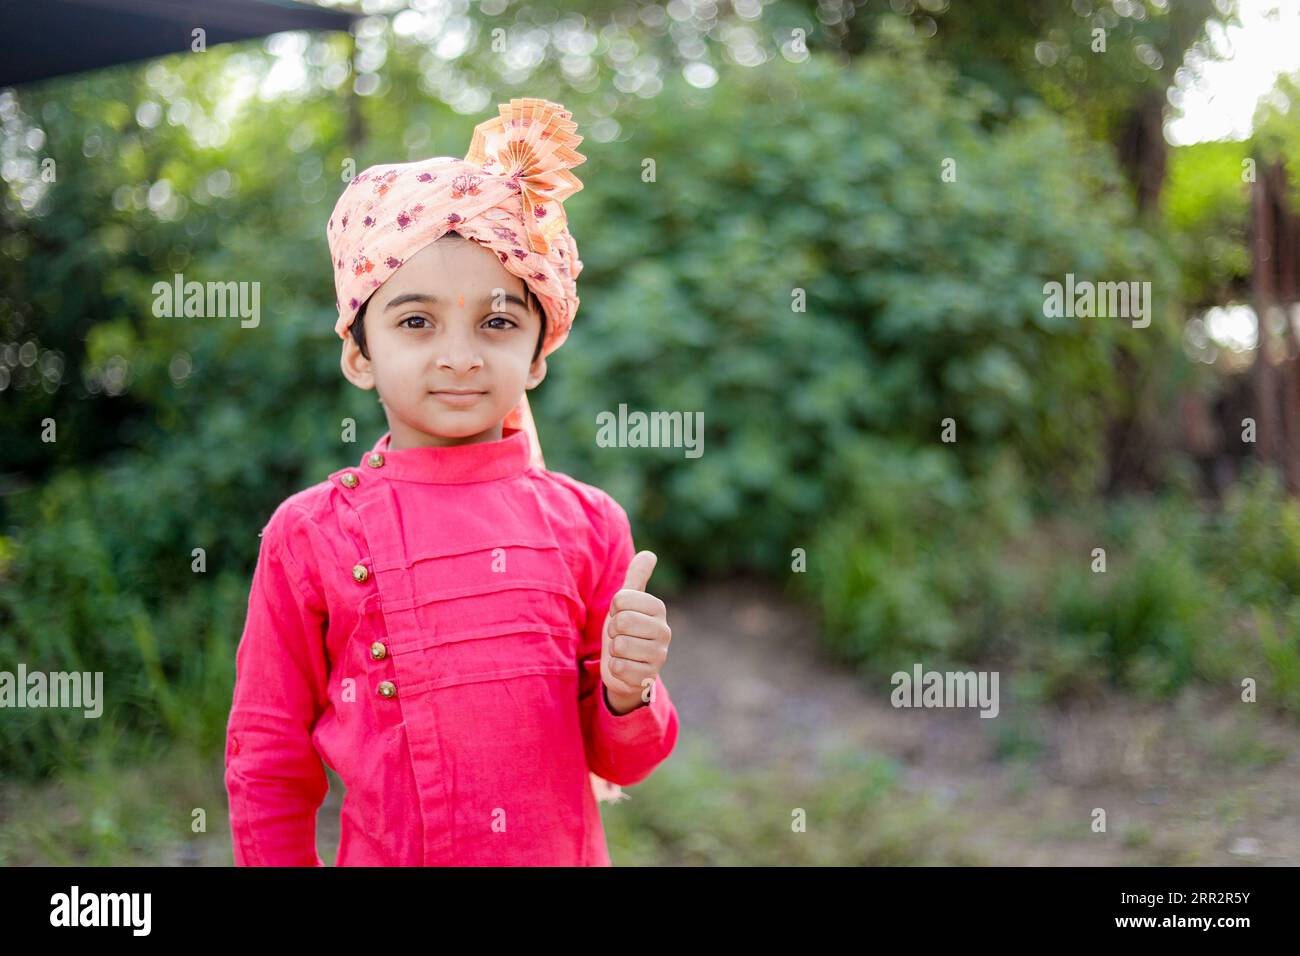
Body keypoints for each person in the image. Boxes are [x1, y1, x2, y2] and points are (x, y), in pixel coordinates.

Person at [224, 98, 679, 866]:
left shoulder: (591, 525)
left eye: (497, 323)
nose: (460, 356)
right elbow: (266, 755)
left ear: (539, 353)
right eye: (416, 322)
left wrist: (630, 691)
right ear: (359, 353)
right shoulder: (311, 535)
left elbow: (622, 760)